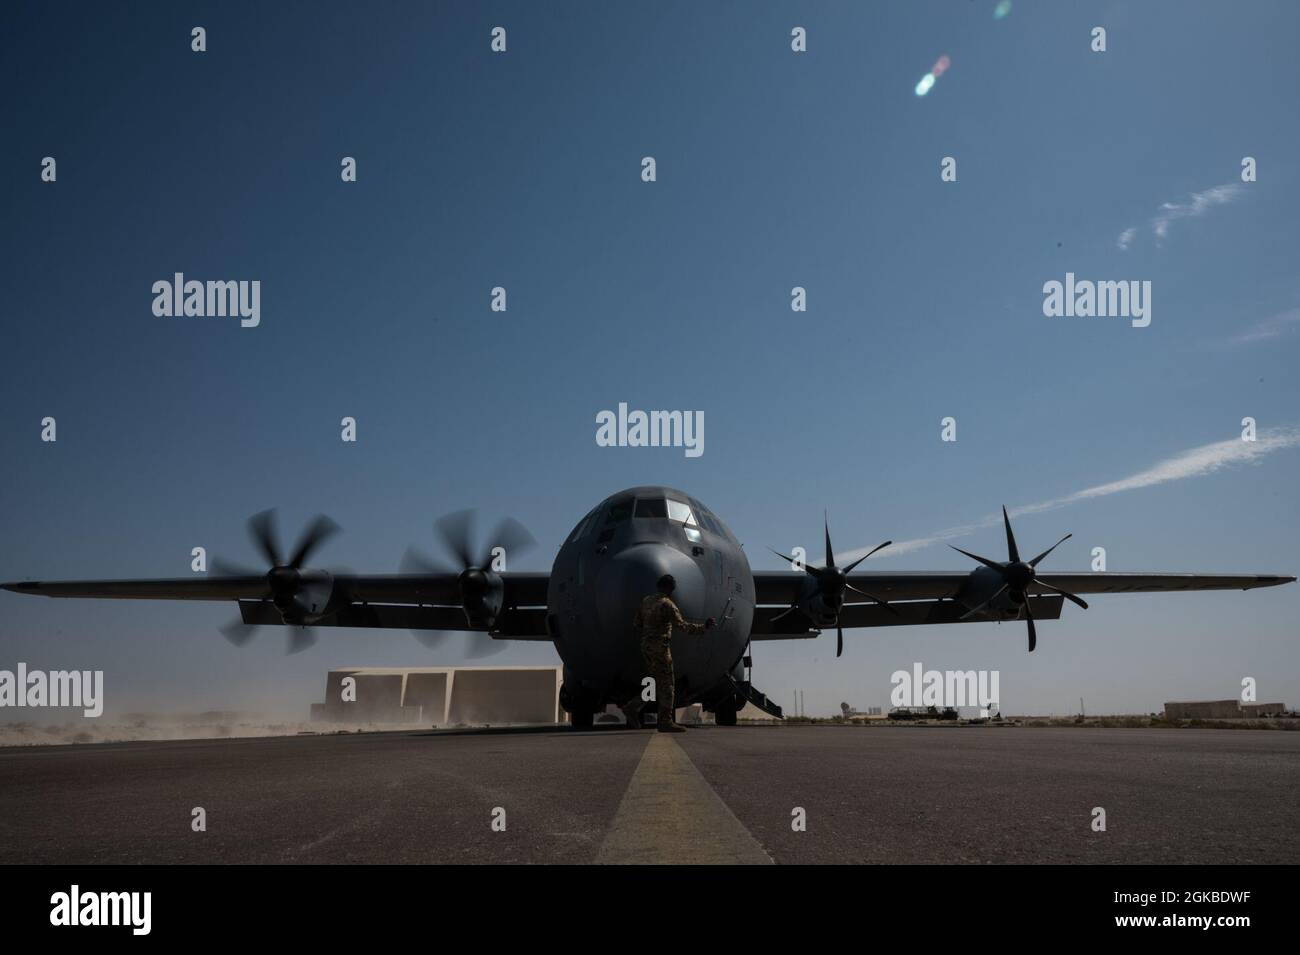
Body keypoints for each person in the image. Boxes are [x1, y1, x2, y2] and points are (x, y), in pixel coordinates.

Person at [633, 574, 715, 733]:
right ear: (670, 589)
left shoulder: (646, 601)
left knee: (654, 683)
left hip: (646, 646)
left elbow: (637, 624)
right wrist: (704, 627)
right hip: (660, 648)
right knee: (668, 685)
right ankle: (665, 721)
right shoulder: (667, 605)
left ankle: (633, 707)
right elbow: (683, 626)